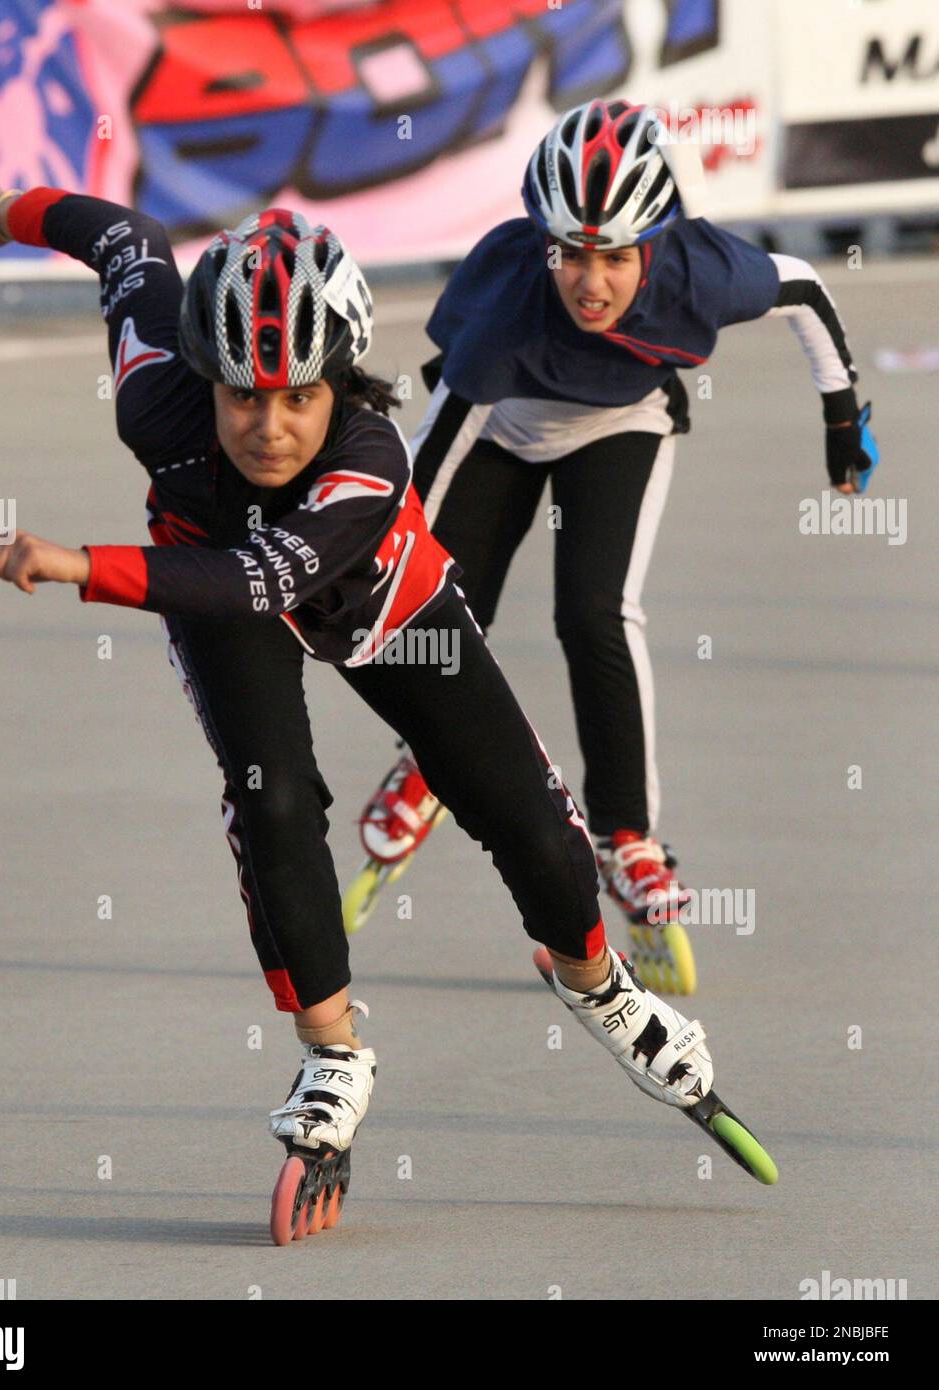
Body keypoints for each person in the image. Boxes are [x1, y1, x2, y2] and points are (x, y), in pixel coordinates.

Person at [0, 174, 730, 1243]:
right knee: (271, 803)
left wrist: (77, 563)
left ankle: (603, 992)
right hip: (215, 586)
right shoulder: (154, 389)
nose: (268, 427)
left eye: (298, 398)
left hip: (373, 602)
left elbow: (266, 578)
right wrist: (1, 213)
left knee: (532, 833)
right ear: (203, 374)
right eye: (241, 396)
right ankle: (332, 1055)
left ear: (341, 387)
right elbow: (124, 240)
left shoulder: (369, 458)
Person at [350, 99, 879, 994]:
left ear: (655, 246)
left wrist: (840, 418)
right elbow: (431, 459)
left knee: (594, 611)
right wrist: (367, 560)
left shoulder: (702, 273)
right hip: (503, 426)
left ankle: (627, 836)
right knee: (435, 603)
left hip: (623, 425)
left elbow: (809, 292)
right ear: (545, 243)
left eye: (616, 258)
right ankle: (430, 762)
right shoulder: (509, 307)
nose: (591, 282)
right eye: (571, 255)